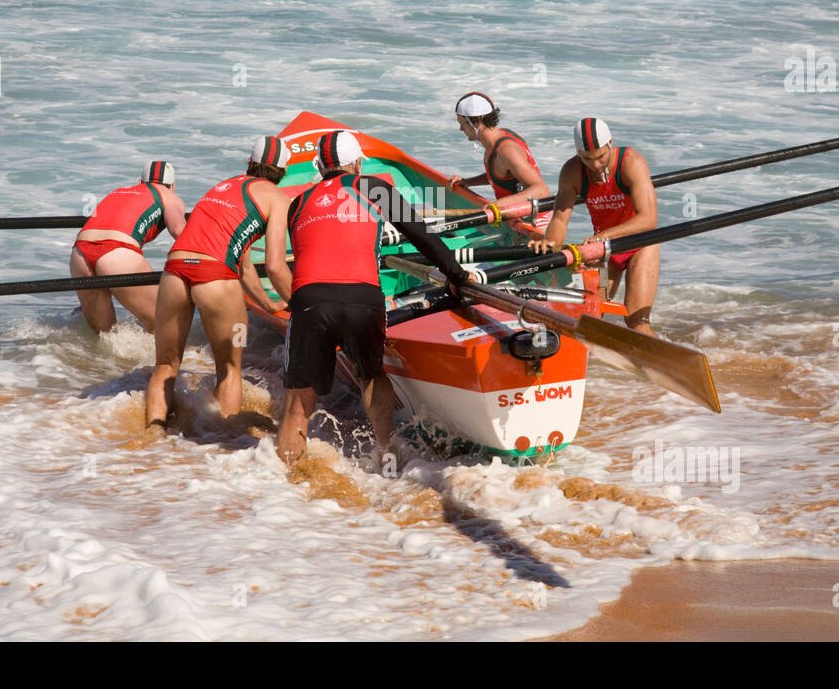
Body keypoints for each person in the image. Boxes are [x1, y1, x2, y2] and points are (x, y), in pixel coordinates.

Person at [276, 130, 472, 466]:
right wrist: (456, 276)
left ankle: (283, 484)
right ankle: (386, 454)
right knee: (372, 375)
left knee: (298, 400)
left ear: (319, 168)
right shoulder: (375, 187)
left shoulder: (298, 203)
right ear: (357, 164)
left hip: (311, 299)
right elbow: (422, 235)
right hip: (362, 298)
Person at [145, 136, 294, 431]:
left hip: (174, 271)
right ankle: (221, 446)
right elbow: (275, 267)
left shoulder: (222, 186)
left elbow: (246, 264)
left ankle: (153, 439)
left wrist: (266, 303)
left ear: (250, 163)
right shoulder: (278, 198)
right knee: (229, 369)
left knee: (165, 364)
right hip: (214, 277)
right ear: (283, 172)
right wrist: (299, 303)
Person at [529, 118, 660, 336]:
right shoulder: (572, 171)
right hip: (605, 251)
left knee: (636, 323)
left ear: (610, 143)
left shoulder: (631, 162)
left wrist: (603, 236)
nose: (596, 165)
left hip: (639, 244)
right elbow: (560, 220)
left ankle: (665, 363)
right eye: (587, 159)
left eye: (600, 157)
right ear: (578, 153)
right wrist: (548, 243)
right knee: (587, 319)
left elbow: (648, 219)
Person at [70, 161, 186, 333]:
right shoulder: (169, 195)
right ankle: (192, 359)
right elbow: (178, 230)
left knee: (104, 337)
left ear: (140, 182)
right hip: (117, 255)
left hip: (79, 254)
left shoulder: (118, 192)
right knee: (166, 322)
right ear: (173, 186)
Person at [445, 91, 552, 231]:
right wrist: (468, 182)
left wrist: (497, 204)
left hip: (535, 222)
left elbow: (541, 190)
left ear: (475, 121)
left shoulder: (506, 150)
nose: (460, 129)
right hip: (514, 218)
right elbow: (501, 176)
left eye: (462, 123)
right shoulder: (499, 139)